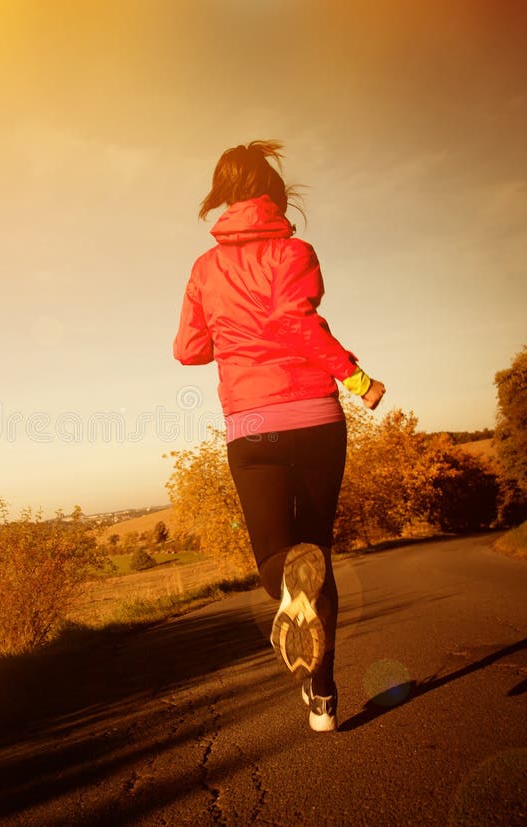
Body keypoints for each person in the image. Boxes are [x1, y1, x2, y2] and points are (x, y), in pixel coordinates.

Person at [173, 140, 385, 732]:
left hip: (253, 424)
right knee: (317, 552)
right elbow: (298, 320)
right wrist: (357, 377)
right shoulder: (297, 250)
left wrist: (228, 329)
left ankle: (288, 587)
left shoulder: (203, 269)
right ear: (273, 192)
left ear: (223, 195)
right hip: (317, 415)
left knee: (278, 559)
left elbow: (188, 350)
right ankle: (323, 697)